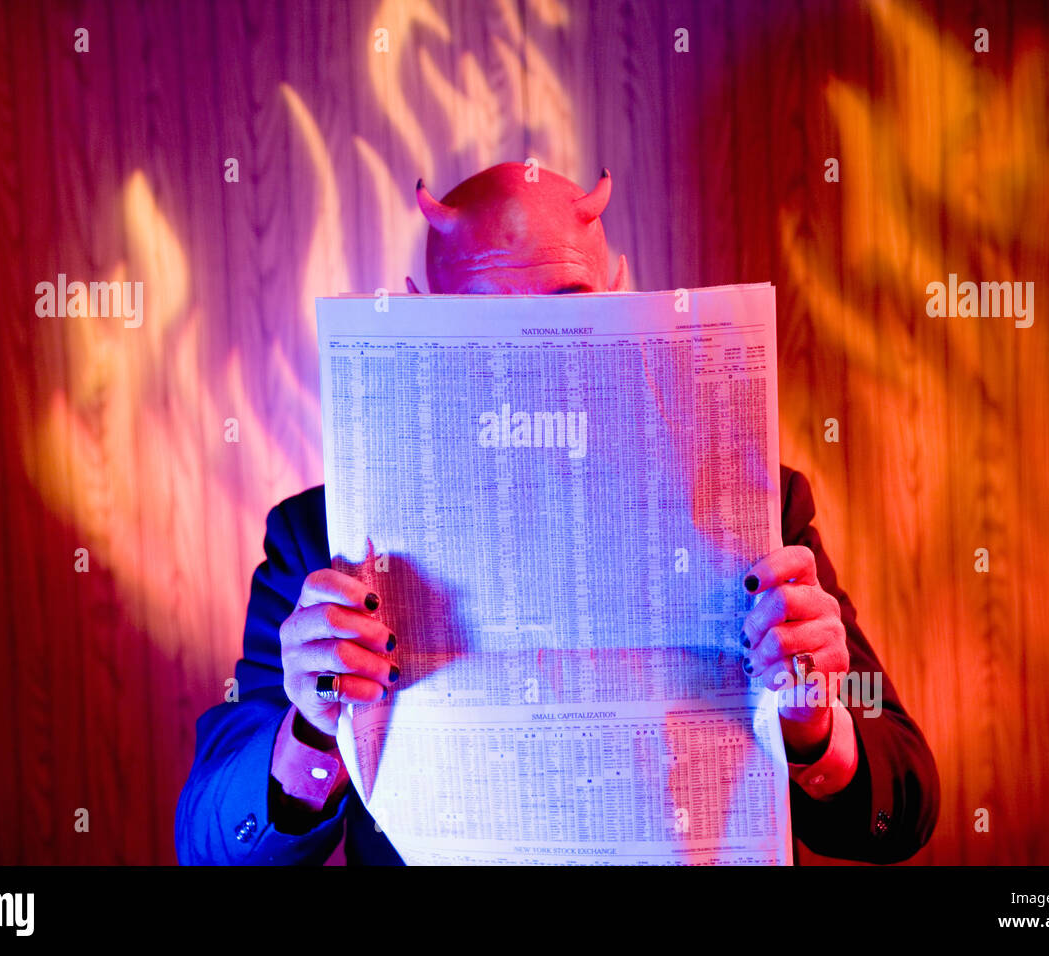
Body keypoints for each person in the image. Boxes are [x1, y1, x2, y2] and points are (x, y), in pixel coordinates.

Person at [175, 163, 939, 865]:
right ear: (419, 321)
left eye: (568, 312)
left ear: (621, 298)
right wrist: (310, 732)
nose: (531, 365)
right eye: (484, 323)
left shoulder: (751, 508)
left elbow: (902, 815)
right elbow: (209, 848)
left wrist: (812, 727)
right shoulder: (321, 539)